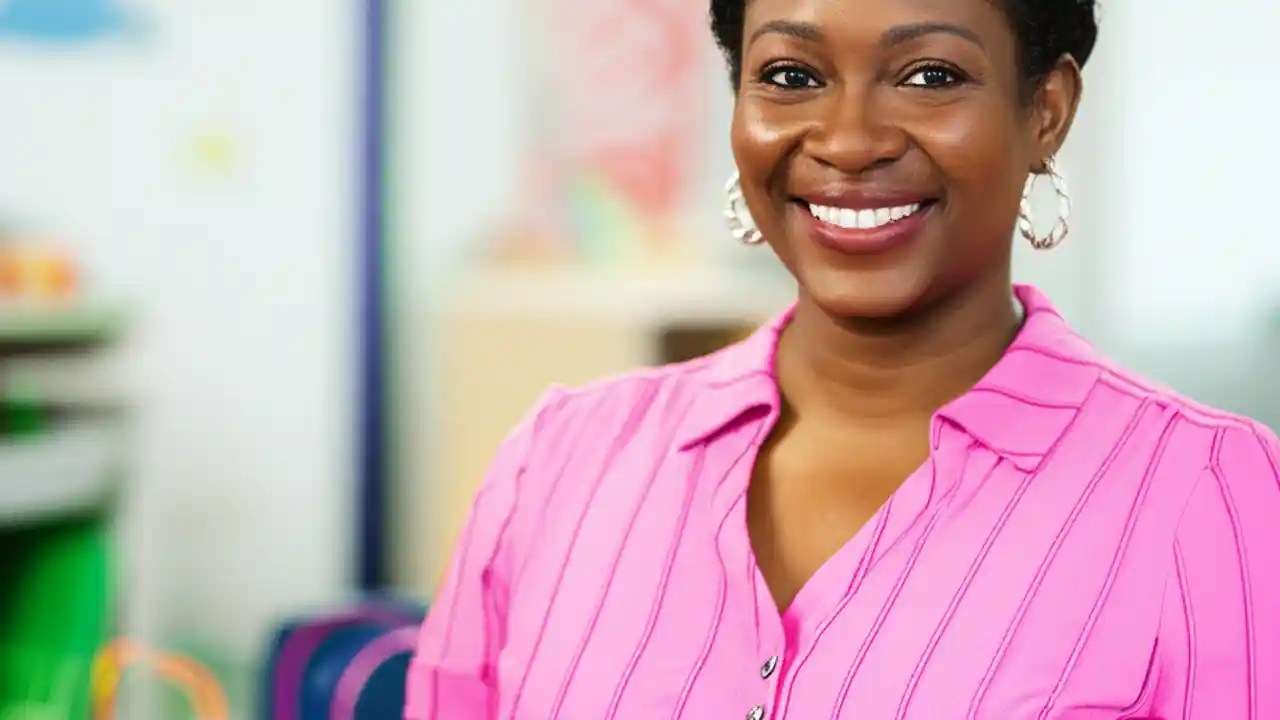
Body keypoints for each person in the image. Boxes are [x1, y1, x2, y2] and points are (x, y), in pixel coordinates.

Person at [407, 0, 1280, 717]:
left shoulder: (1213, 491)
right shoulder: (560, 460)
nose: (849, 139)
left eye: (930, 76)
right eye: (791, 76)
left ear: (1045, 110)